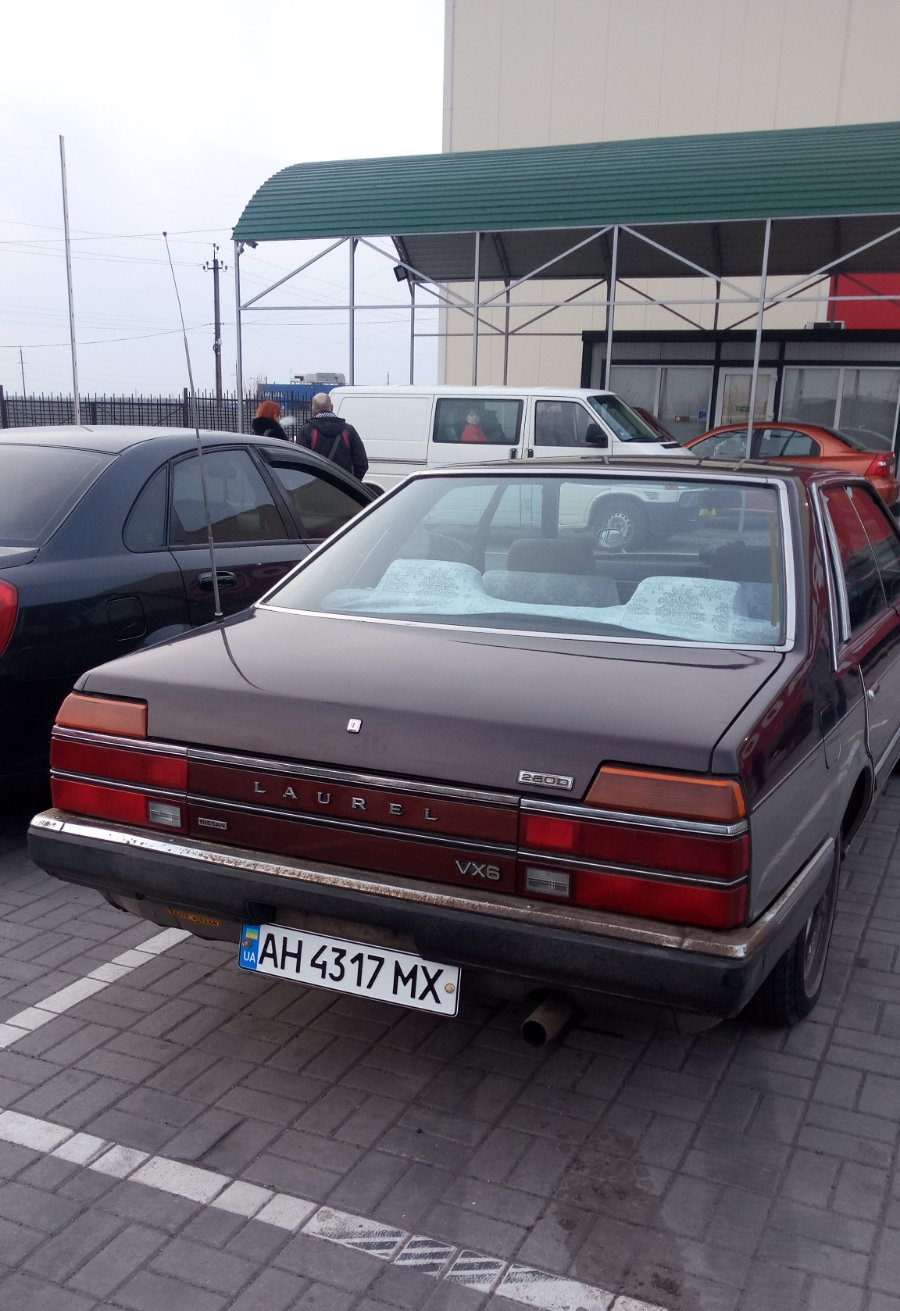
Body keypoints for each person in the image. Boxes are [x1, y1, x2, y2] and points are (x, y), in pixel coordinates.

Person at [297, 393, 368, 479]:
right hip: (342, 484)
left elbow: (300, 462)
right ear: (332, 407)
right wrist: (351, 482)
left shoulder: (306, 430)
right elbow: (362, 463)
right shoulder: (349, 430)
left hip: (315, 484)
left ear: (312, 409)